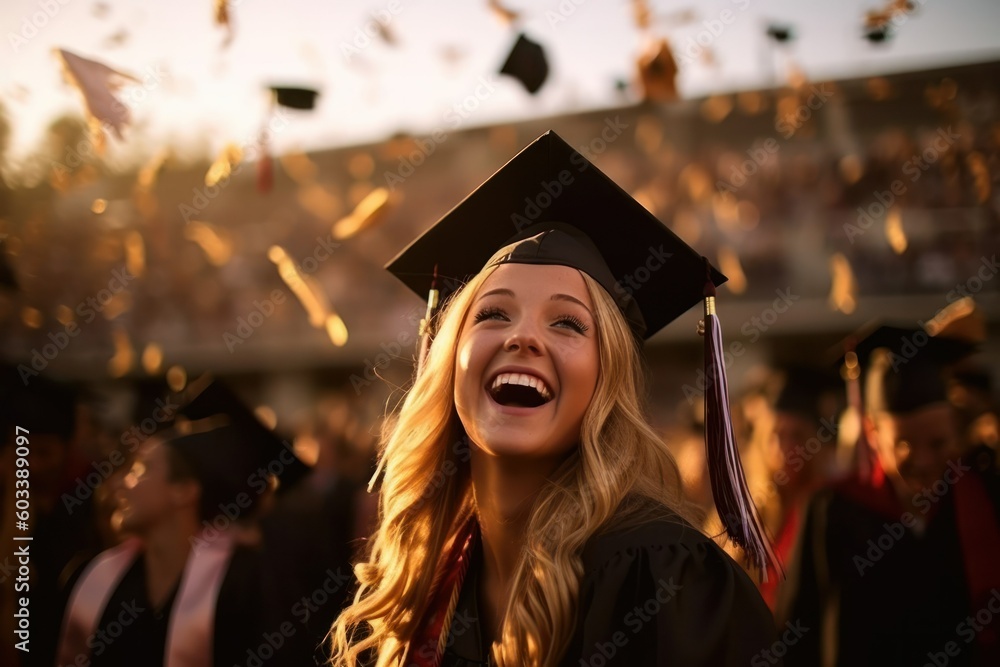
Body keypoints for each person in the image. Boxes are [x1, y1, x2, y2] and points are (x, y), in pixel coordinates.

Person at [329, 131, 777, 666]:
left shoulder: (659, 574)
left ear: (607, 375)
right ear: (447, 357)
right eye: (493, 313)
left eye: (566, 322)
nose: (524, 337)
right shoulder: (428, 573)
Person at [779, 325, 1000, 666]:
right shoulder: (832, 511)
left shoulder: (982, 498)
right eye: (904, 444)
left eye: (938, 442)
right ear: (873, 432)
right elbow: (798, 634)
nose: (923, 460)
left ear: (954, 430)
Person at [55, 377, 306, 666]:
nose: (122, 483)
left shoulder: (247, 586)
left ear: (184, 491)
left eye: (140, 469)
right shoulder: (94, 580)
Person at [758, 366, 844, 610]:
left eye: (796, 436)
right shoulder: (755, 506)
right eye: (776, 435)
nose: (783, 448)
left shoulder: (828, 506)